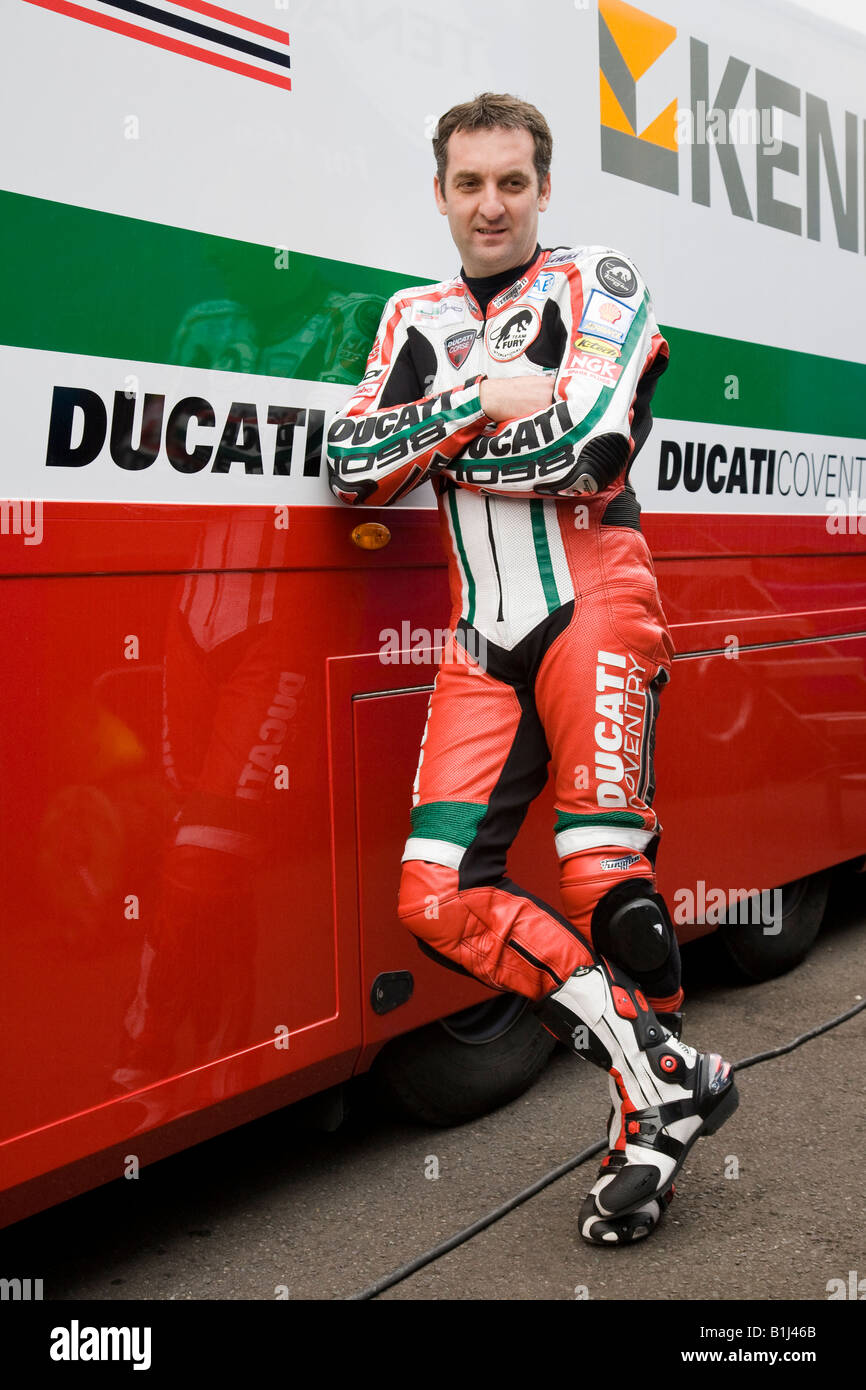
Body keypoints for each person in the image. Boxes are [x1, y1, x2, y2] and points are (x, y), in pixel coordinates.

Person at [326, 92, 738, 1245]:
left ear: (542, 188)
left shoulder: (592, 281)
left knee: (603, 878)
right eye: (469, 184)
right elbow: (348, 466)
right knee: (435, 896)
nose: (490, 203)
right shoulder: (411, 314)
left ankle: (645, 1126)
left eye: (512, 181)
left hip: (595, 598)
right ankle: (665, 1071)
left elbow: (584, 445)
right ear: (443, 193)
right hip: (477, 639)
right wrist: (476, 397)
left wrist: (434, 431)